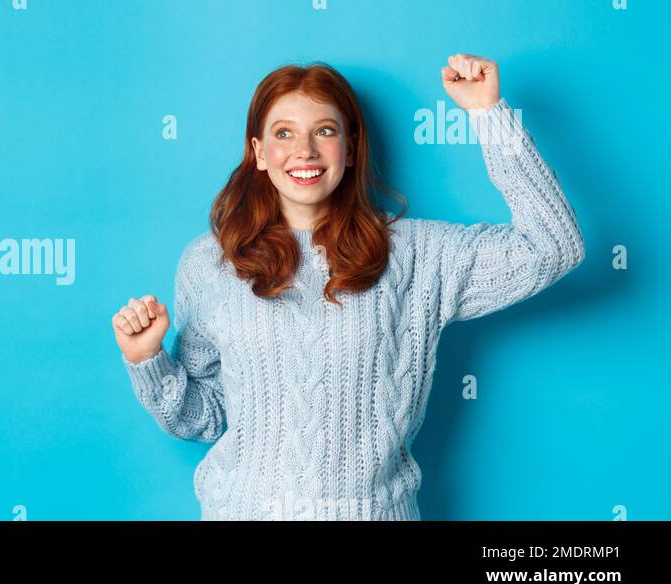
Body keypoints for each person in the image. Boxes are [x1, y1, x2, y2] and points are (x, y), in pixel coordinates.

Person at [111, 54, 584, 520]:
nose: (305, 151)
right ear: (258, 152)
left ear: (351, 148)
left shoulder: (416, 256)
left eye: (325, 130)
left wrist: (488, 113)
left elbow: (553, 246)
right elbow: (206, 417)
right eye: (284, 133)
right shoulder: (210, 262)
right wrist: (146, 361)